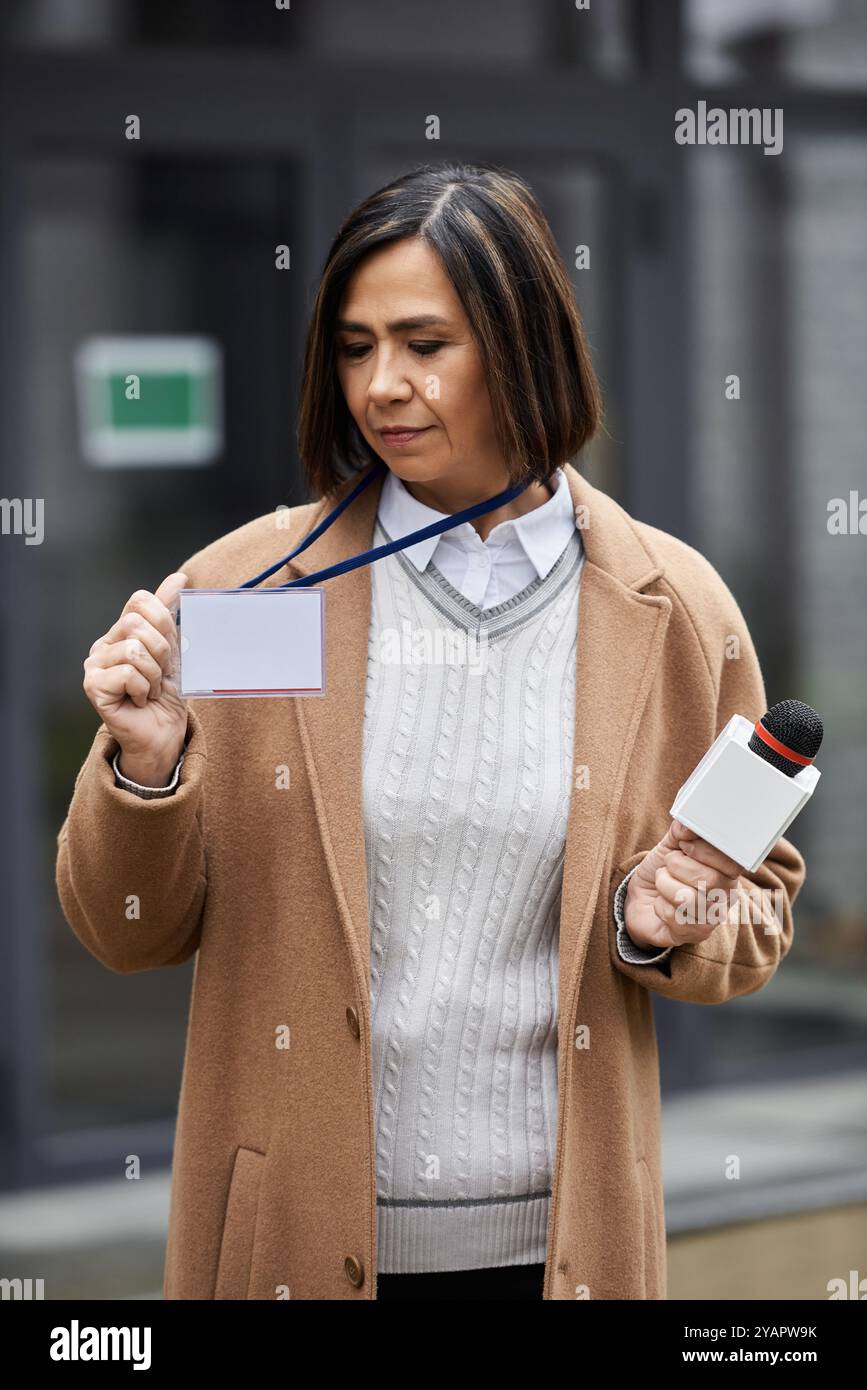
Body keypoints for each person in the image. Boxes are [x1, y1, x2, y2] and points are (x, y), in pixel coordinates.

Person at [56, 160, 806, 1300]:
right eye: (356, 348)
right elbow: (127, 931)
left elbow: (759, 909)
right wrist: (147, 766)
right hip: (293, 1247)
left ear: (524, 344)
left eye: (424, 343)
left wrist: (670, 921)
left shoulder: (675, 611)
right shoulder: (255, 593)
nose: (382, 386)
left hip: (565, 1256)